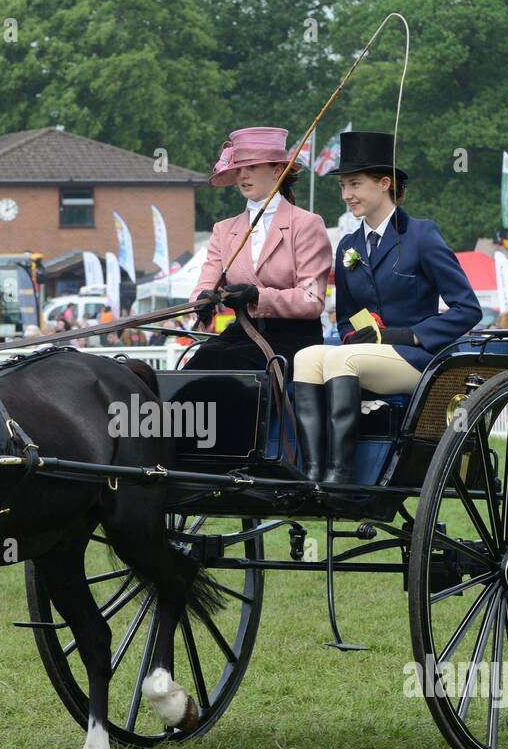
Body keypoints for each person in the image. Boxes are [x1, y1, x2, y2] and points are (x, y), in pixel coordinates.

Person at [292, 130, 482, 484]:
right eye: (343, 186)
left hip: (417, 359)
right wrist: (353, 333)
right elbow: (346, 315)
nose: (347, 195)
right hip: (366, 355)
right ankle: (314, 473)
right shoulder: (348, 244)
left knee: (340, 358)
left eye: (355, 184)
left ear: (384, 183)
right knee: (306, 357)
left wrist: (410, 334)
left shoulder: (421, 236)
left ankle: (341, 475)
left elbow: (468, 309)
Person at [186, 126, 332, 378]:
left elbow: (312, 300)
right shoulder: (224, 229)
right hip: (243, 332)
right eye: (238, 169)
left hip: (293, 341)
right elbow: (204, 285)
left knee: (225, 365)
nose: (243, 176)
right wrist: (203, 301)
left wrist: (257, 296)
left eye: (252, 167)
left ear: (277, 170)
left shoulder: (307, 224)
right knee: (193, 367)